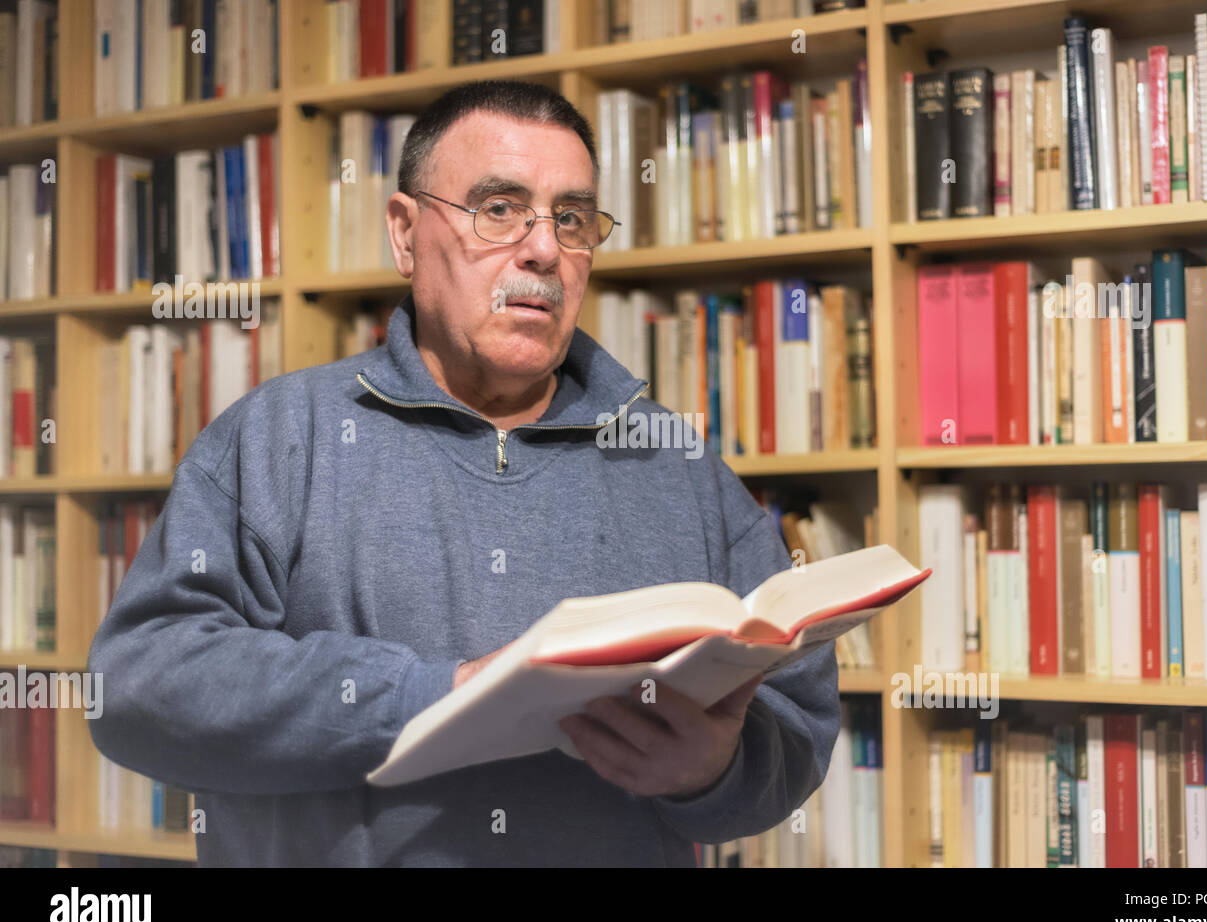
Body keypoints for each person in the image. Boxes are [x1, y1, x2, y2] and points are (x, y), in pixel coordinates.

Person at [88, 79, 840, 866]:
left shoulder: (677, 461)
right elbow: (139, 685)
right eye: (500, 209)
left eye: (571, 218)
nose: (543, 249)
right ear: (406, 233)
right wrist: (434, 697)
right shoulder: (278, 437)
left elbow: (798, 717)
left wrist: (713, 770)